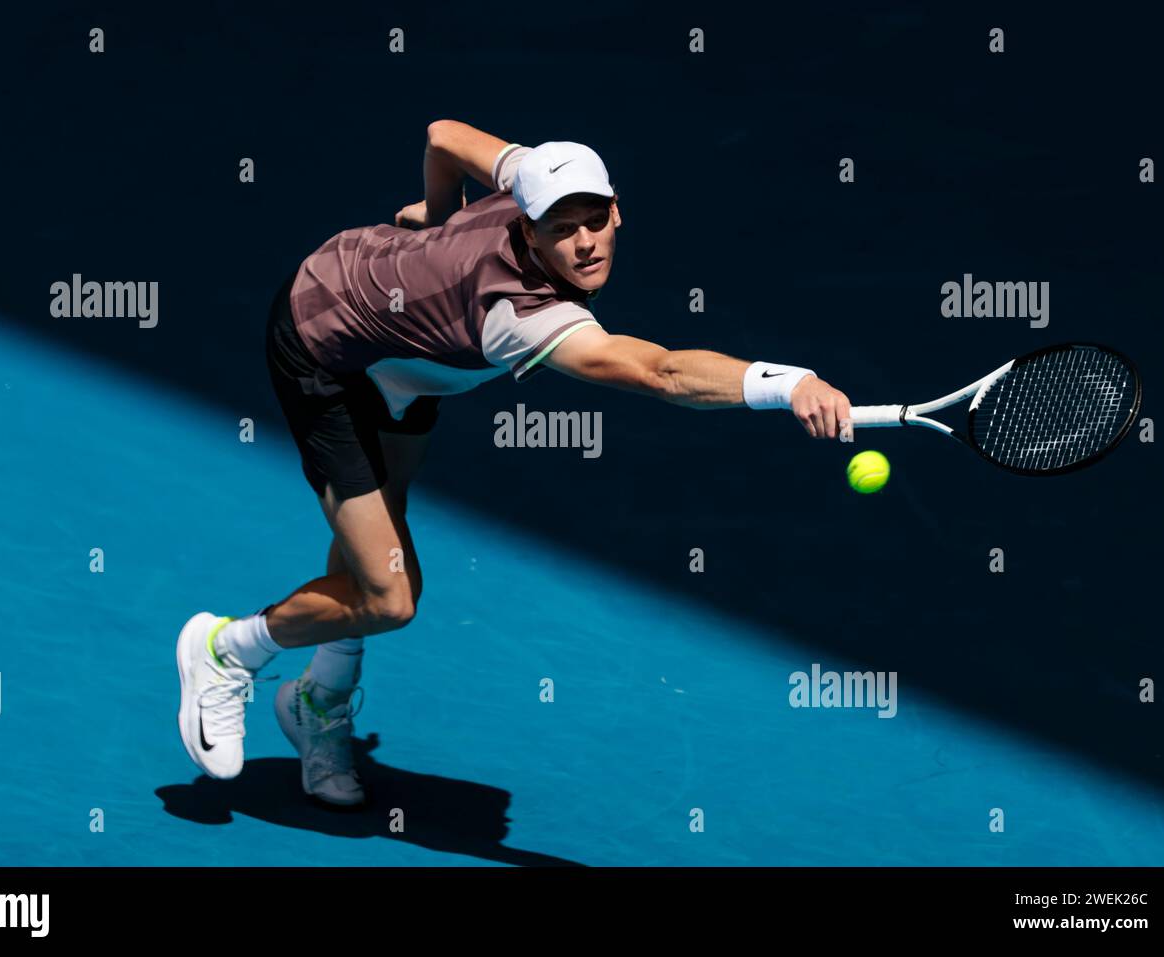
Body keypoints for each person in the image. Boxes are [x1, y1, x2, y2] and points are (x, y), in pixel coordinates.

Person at [176, 120, 852, 808]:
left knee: (381, 522)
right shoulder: (518, 315)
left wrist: (438, 215)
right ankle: (229, 648)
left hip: (400, 351)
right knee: (390, 596)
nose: (585, 243)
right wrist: (788, 383)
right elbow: (661, 371)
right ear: (528, 229)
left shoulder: (530, 174)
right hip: (321, 345)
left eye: (595, 220)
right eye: (563, 229)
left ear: (617, 210)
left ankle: (319, 698)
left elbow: (443, 135)